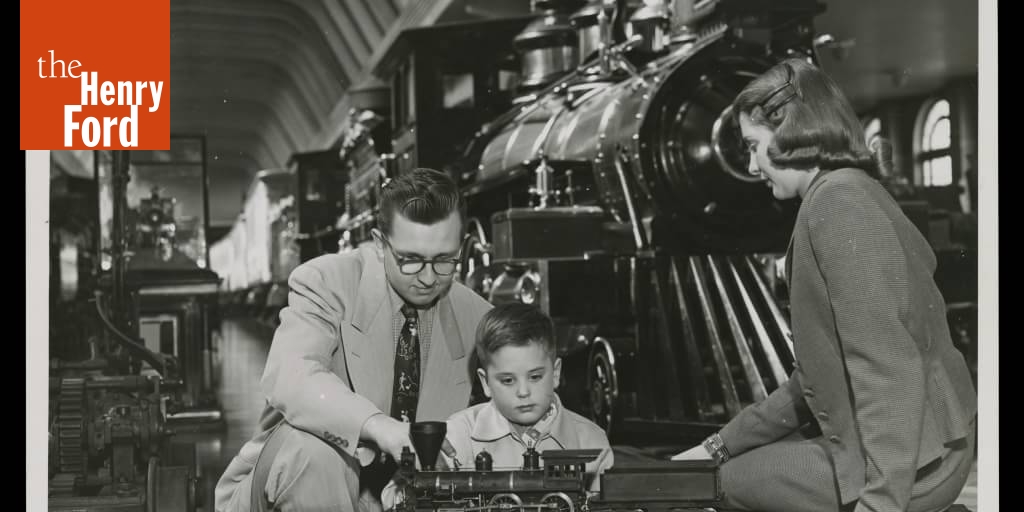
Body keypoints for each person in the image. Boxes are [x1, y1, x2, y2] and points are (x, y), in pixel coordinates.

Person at [672, 58, 977, 512]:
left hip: (918, 468)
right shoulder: (847, 190)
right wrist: (716, 446)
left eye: (754, 145)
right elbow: (811, 380)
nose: (753, 166)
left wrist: (879, 506)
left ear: (792, 131)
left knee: (723, 485)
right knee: (725, 470)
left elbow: (887, 369)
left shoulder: (838, 204)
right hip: (927, 448)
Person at [214, 167, 493, 512]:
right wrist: (380, 427)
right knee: (315, 454)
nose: (427, 278)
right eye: (410, 260)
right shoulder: (326, 281)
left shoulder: (477, 315)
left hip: (399, 497)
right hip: (304, 483)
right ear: (379, 244)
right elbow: (291, 375)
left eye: (443, 260)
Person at [384, 303, 614, 508]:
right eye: (507, 380)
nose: (523, 392)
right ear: (485, 383)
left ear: (556, 373)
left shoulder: (592, 441)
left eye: (535, 377)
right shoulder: (458, 434)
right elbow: (392, 496)